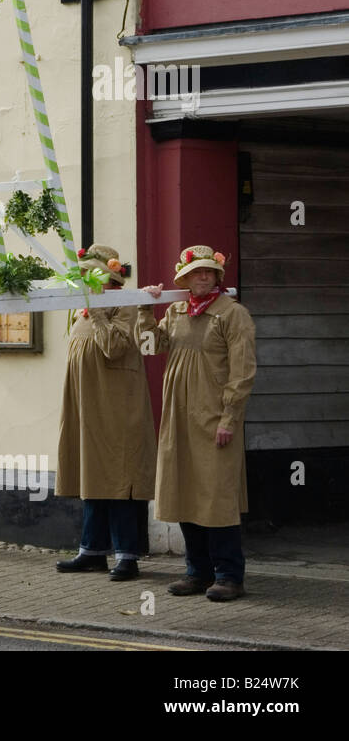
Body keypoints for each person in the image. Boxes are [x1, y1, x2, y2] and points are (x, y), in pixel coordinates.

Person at [144, 245, 256, 602]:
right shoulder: (175, 311)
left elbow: (242, 372)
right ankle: (197, 572)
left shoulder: (233, 314)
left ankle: (229, 576)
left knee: (217, 497)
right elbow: (150, 347)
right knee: (184, 491)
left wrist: (229, 418)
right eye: (196, 273)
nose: (203, 277)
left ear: (218, 276)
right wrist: (146, 309)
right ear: (185, 278)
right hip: (179, 419)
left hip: (215, 420)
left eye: (209, 272)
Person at [54, 245, 156, 581]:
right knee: (92, 474)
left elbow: (114, 347)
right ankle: (92, 551)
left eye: (89, 275)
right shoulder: (81, 308)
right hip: (86, 405)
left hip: (116, 407)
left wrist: (95, 309)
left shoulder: (122, 304)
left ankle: (127, 555)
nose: (83, 281)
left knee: (119, 477)